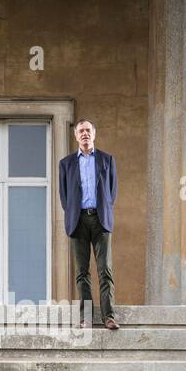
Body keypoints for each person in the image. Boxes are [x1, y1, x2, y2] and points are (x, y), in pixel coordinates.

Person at [58, 118, 119, 330]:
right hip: (78, 220)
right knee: (82, 272)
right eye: (81, 131)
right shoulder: (66, 164)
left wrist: (104, 210)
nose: (85, 134)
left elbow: (112, 193)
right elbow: (64, 196)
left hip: (101, 219)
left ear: (94, 134)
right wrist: (74, 213)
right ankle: (85, 318)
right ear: (76, 136)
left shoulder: (106, 159)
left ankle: (109, 316)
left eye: (88, 131)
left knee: (105, 270)